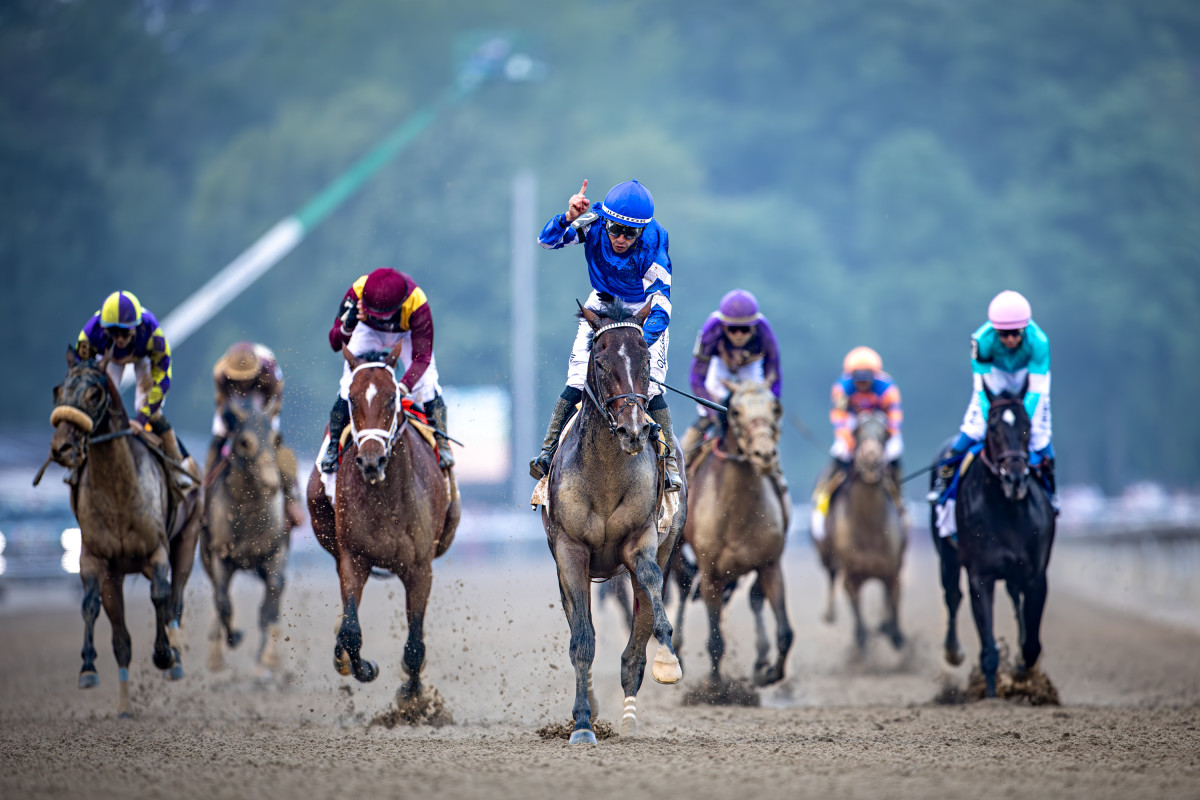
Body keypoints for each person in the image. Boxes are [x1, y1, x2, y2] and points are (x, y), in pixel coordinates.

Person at [529, 178, 681, 491]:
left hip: (643, 309)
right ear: (607, 222)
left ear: (642, 230)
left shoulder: (654, 241)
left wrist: (636, 344)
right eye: (616, 230)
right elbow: (546, 241)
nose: (622, 238)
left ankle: (668, 463)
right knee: (575, 378)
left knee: (651, 388)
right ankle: (547, 453)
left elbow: (662, 307)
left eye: (631, 233)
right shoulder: (594, 221)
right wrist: (567, 218)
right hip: (601, 303)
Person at [926, 290, 1056, 510]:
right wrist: (991, 421)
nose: (1009, 339)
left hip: (1029, 376)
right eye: (1003, 334)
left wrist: (1020, 421)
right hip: (995, 374)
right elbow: (981, 388)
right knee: (972, 429)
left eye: (1015, 333)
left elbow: (1035, 391)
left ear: (1025, 328)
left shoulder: (1040, 342)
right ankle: (943, 481)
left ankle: (1051, 494)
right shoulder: (981, 340)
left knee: (1040, 436)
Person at [317, 268, 454, 473]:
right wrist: (349, 323)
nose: (382, 321)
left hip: (406, 334)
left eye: (385, 316)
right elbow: (335, 343)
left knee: (427, 383)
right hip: (367, 331)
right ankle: (333, 444)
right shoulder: (357, 291)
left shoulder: (417, 302)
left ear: (401, 304)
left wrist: (403, 387)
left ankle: (441, 442)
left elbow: (422, 358)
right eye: (375, 314)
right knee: (348, 384)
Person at [74, 290, 195, 489]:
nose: (119, 338)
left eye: (124, 333)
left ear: (136, 328)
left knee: (147, 408)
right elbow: (80, 371)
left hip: (143, 358)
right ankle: (78, 460)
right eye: (113, 332)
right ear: (104, 329)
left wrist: (142, 418)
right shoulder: (89, 334)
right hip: (108, 358)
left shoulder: (152, 332)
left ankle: (176, 464)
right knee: (96, 402)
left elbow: (163, 378)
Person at [810, 346, 906, 538]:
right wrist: (849, 441)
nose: (862, 383)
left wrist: (886, 439)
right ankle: (824, 499)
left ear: (875, 375)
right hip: (854, 425)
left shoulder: (888, 387)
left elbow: (894, 417)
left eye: (866, 378)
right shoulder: (842, 387)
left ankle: (898, 498)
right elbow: (839, 416)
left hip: (880, 425)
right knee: (840, 452)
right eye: (858, 378)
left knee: (895, 452)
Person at [206, 342, 304, 528]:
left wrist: (260, 426)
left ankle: (291, 496)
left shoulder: (269, 373)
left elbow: (275, 404)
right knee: (218, 438)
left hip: (262, 400)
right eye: (238, 379)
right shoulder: (220, 373)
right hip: (233, 402)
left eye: (246, 378)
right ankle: (204, 493)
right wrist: (233, 425)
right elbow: (222, 403)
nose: (243, 382)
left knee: (273, 443)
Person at [679, 288, 781, 456]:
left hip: (751, 366)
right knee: (710, 410)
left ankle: (776, 474)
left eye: (745, 329)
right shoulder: (711, 331)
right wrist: (713, 414)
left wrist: (768, 408)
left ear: (754, 327)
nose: (739, 335)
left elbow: (775, 375)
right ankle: (681, 458)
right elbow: (697, 379)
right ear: (724, 326)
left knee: (759, 414)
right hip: (719, 364)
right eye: (733, 329)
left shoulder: (765, 333)